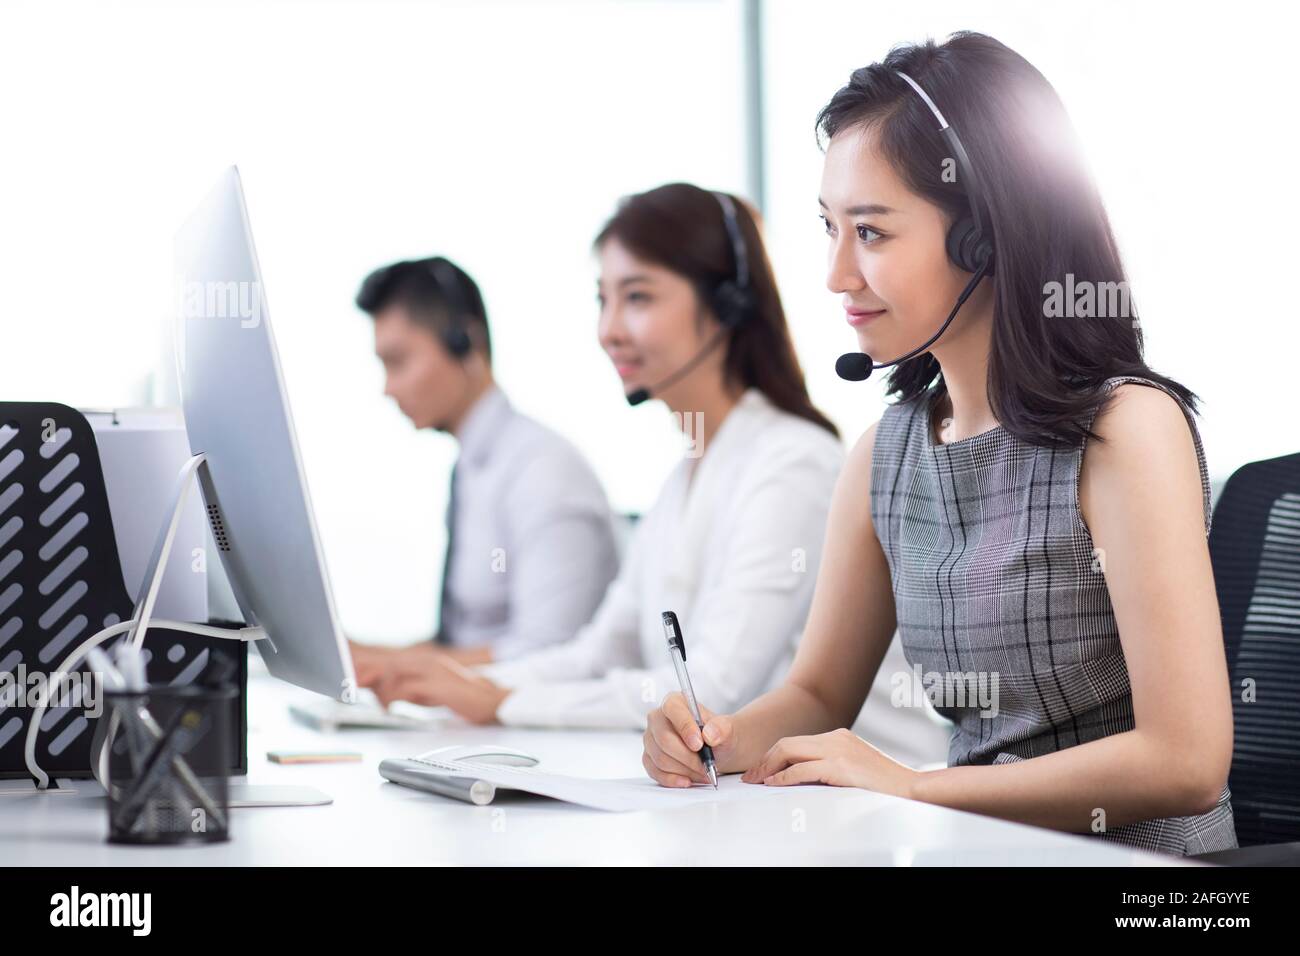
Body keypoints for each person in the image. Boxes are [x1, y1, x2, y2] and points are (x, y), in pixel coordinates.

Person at [642, 33, 1237, 856]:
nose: (836, 273)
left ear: (984, 238)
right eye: (829, 228)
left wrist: (916, 789)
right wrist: (717, 737)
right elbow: (818, 694)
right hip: (972, 850)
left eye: (873, 234)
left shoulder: (1125, 430)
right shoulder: (885, 456)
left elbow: (1186, 761)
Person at [368, 184, 846, 731]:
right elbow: (598, 654)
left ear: (726, 306)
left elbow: (713, 690)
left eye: (637, 297)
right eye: (604, 300)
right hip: (759, 794)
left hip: (858, 804)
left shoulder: (792, 464)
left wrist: (501, 703)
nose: (609, 330)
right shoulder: (683, 479)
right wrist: (464, 686)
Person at [348, 256, 618, 675]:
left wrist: (392, 667)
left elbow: (546, 651)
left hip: (533, 732)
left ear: (464, 343)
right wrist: (365, 659)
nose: (388, 388)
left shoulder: (543, 470)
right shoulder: (472, 469)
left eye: (398, 361)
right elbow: (465, 641)